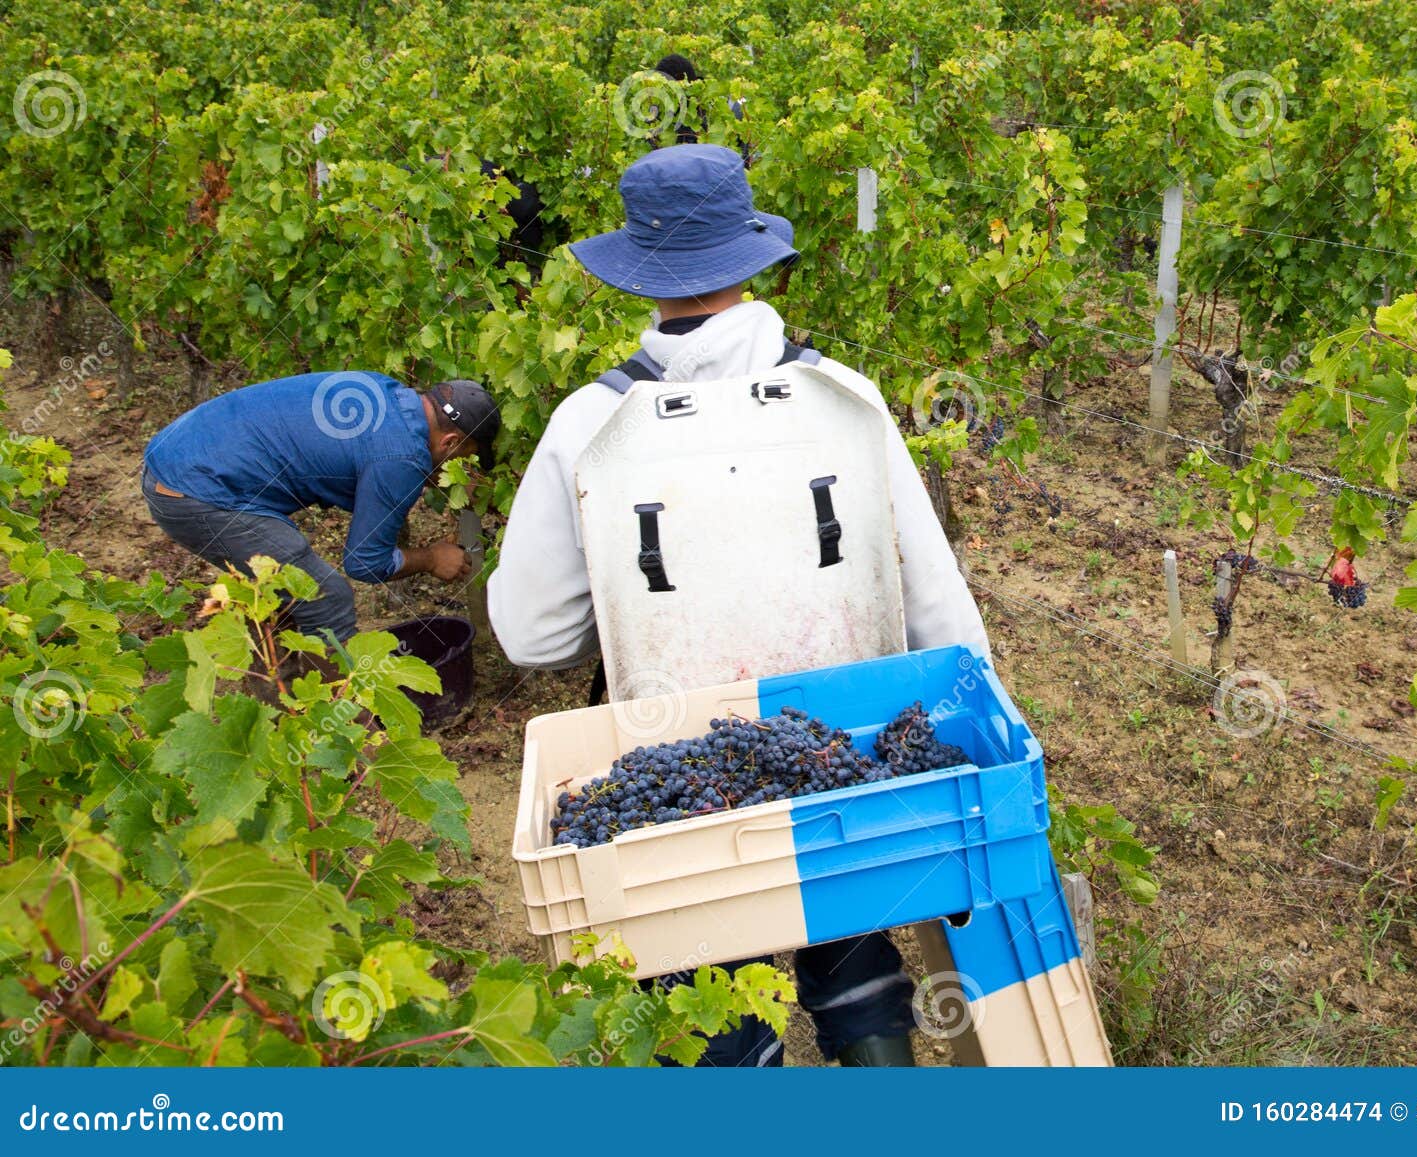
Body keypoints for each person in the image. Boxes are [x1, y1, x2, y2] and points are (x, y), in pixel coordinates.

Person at [487, 144, 989, 1066]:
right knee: (849, 925)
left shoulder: (586, 423)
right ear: (754, 254)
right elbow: (938, 610)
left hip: (670, 761)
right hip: (845, 753)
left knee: (704, 983)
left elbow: (532, 634)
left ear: (640, 272)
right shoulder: (846, 398)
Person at [143, 373, 500, 646]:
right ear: (450, 441)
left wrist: (439, 474)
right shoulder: (400, 458)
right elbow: (365, 562)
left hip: (179, 452)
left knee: (281, 591)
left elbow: (369, 452)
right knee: (325, 598)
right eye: (463, 457)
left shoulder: (386, 392)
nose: (462, 467)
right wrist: (433, 559)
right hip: (197, 493)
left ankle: (281, 701)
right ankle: (344, 728)